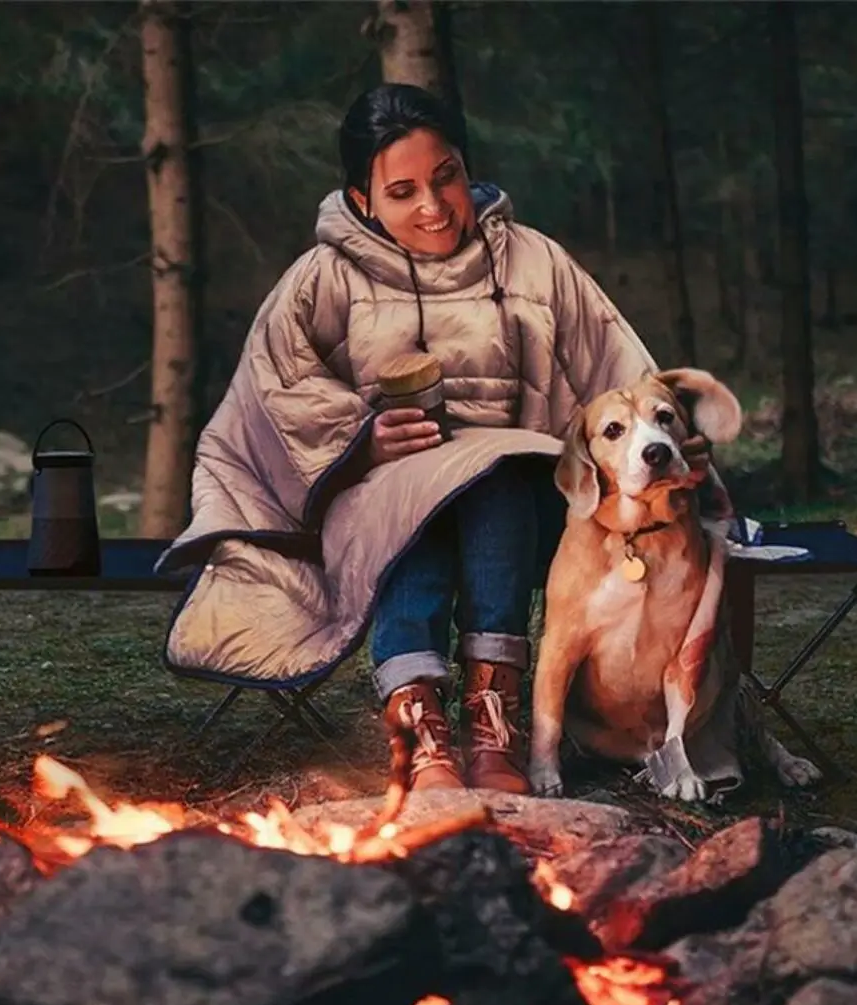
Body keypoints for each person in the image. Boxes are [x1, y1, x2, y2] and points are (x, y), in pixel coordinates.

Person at [156, 82, 711, 796]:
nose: (433, 206)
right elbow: (271, 396)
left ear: (464, 166)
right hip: (385, 515)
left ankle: (494, 717)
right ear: (362, 200)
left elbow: (619, 372)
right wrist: (360, 440)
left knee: (500, 475)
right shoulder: (323, 279)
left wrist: (671, 439)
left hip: (522, 513)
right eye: (403, 191)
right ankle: (418, 726)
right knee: (412, 498)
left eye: (446, 177)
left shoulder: (533, 263)